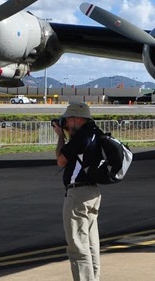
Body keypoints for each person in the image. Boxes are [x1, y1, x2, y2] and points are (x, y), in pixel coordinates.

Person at [53, 102, 102, 281]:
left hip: (78, 196)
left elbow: (60, 160)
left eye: (68, 119)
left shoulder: (82, 137)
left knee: (77, 246)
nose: (66, 123)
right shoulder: (96, 133)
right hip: (93, 194)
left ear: (78, 119)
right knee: (90, 244)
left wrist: (60, 137)